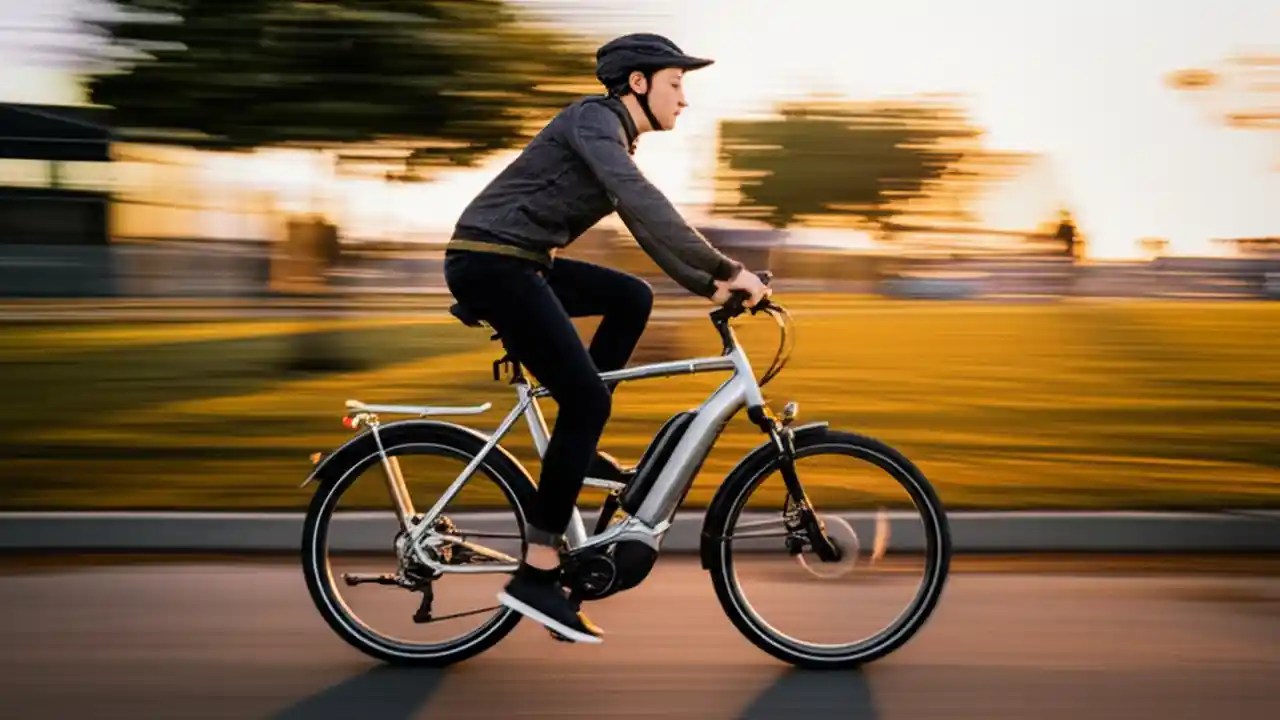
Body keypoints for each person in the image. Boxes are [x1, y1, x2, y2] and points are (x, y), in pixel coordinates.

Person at [443, 33, 770, 644]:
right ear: (638, 83)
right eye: (676, 84)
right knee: (587, 400)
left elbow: (644, 225)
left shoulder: (613, 137)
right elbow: (642, 202)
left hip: (520, 261)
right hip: (493, 263)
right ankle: (537, 574)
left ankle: (578, 445)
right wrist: (725, 270)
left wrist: (711, 285)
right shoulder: (595, 120)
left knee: (631, 297)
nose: (685, 100)